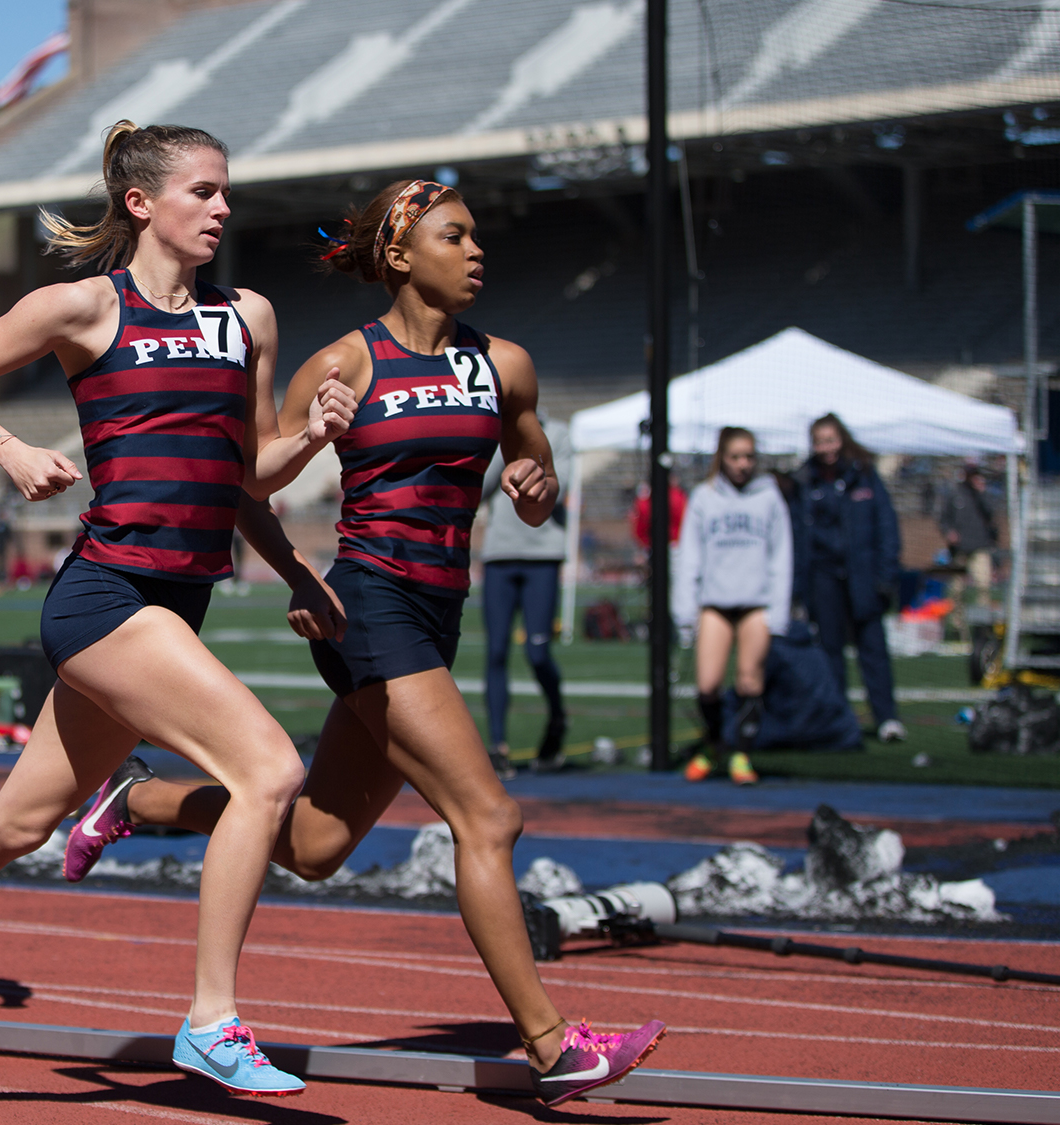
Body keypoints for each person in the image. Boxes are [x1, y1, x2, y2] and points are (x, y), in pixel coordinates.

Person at [72, 177, 666, 1108]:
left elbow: (533, 454)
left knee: (312, 845)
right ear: (400, 255)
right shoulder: (346, 362)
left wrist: (536, 482)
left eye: (478, 238)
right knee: (488, 816)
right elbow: (245, 476)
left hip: (439, 612)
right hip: (367, 607)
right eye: (455, 237)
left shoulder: (504, 363)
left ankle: (140, 795)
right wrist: (303, 573)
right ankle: (553, 1047)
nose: (477, 253)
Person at [0, 121, 345, 1097]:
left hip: (176, 607)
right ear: (141, 204)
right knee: (265, 771)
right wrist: (9, 452)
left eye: (226, 194)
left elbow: (245, 474)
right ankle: (210, 1020)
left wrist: (307, 452)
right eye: (203, 192)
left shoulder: (247, 319)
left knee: (18, 822)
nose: (223, 208)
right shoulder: (87, 308)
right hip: (104, 599)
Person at [674, 427, 791, 785]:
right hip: (716, 602)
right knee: (708, 685)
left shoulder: (769, 497)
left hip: (756, 603)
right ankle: (714, 743)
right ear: (721, 458)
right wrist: (684, 610)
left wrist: (778, 612)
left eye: (749, 457)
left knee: (749, 682)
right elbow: (689, 556)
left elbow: (781, 556)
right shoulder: (704, 497)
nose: (743, 464)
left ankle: (741, 753)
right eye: (735, 456)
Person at [793, 413, 903, 741]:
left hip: (863, 577)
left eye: (831, 439)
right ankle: (838, 719)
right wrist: (801, 586)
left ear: (842, 439)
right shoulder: (806, 481)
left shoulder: (864, 476)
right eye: (819, 441)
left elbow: (886, 526)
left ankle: (887, 718)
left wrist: (886, 575)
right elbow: (800, 536)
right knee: (829, 651)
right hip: (823, 578)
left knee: (873, 649)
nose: (826, 448)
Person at [479, 412, 573, 775]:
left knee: (537, 652)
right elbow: (484, 485)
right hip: (500, 555)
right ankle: (498, 745)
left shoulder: (558, 433)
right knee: (497, 650)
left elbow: (557, 487)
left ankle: (557, 718)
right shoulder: (493, 427)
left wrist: (526, 453)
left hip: (542, 556)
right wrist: (502, 444)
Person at [937, 463, 997, 605]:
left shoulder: (982, 495)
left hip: (980, 547)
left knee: (983, 586)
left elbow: (991, 514)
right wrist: (949, 532)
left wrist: (981, 493)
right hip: (960, 549)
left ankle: (983, 621)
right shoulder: (955, 494)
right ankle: (958, 625)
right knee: (956, 589)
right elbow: (943, 518)